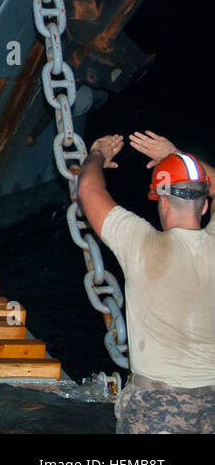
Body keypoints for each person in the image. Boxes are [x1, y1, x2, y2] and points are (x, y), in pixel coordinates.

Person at [76, 130, 215, 433]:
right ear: (205, 206)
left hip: (157, 409)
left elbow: (88, 188)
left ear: (162, 203)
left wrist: (97, 154)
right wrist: (177, 155)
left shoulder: (140, 243)